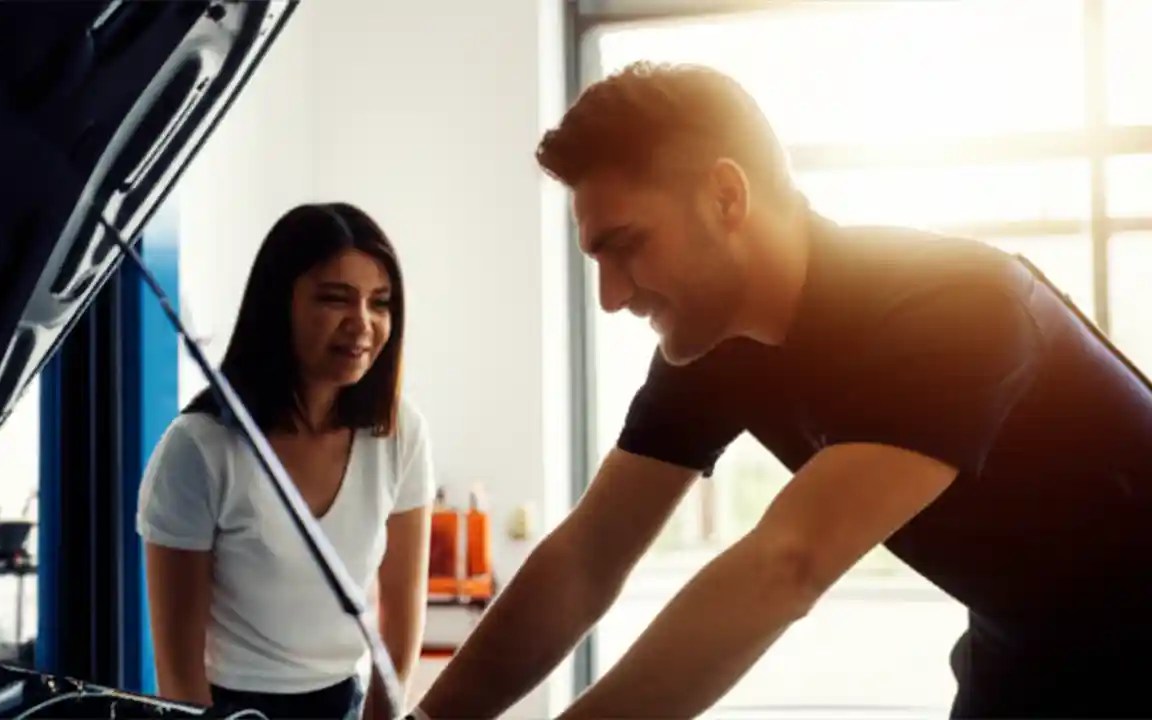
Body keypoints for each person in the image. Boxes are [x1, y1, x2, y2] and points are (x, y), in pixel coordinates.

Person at [413, 62, 1152, 719]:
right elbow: (588, 554)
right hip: (1022, 651)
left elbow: (788, 564)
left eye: (627, 246)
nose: (609, 298)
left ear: (726, 198)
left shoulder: (963, 308)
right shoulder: (715, 347)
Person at [137, 202, 435, 719]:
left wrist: (384, 716)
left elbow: (404, 611)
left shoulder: (400, 433)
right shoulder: (198, 449)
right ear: (280, 305)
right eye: (334, 299)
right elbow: (179, 671)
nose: (361, 324)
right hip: (229, 710)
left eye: (379, 303)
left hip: (348, 701)